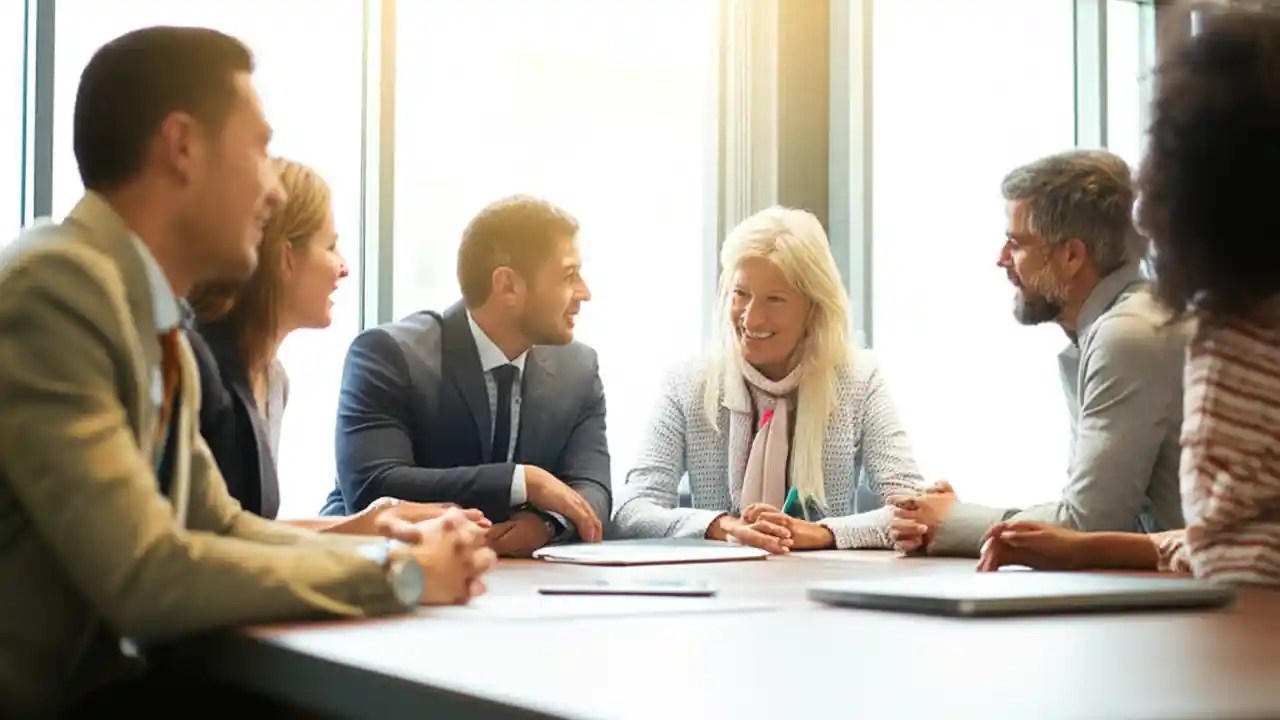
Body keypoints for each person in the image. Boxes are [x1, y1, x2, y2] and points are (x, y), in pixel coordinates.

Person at [0, 27, 494, 717]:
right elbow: (146, 571)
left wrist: (386, 561)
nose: (270, 189)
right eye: (259, 148)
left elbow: (220, 524)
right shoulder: (56, 287)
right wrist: (400, 575)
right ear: (182, 147)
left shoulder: (154, 321)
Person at [978, 8, 1280, 585]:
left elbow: (1244, 555)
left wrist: (1082, 543)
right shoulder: (1225, 329)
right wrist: (1083, 551)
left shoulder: (1226, 339)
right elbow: (1225, 539)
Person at [890, 150, 1190, 557]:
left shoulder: (1127, 335)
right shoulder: (1125, 323)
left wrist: (952, 521)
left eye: (1016, 243)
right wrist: (952, 516)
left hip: (1223, 604)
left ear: (1071, 255)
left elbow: (1088, 523)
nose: (1001, 259)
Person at [187, 157, 484, 533]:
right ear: (286, 257)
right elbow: (215, 545)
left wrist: (372, 523)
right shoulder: (198, 370)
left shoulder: (273, 377)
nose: (343, 267)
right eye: (330, 247)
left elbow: (247, 530)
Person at [612, 206, 925, 552]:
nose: (751, 318)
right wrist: (722, 527)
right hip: (718, 588)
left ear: (814, 307)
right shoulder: (689, 382)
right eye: (741, 294)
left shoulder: (858, 379)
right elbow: (631, 511)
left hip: (822, 587)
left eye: (775, 299)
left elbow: (914, 511)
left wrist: (822, 534)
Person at [324, 194, 609, 556]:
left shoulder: (578, 369)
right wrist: (522, 481)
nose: (584, 293)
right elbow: (372, 486)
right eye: (569, 275)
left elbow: (594, 488)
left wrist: (545, 525)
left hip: (522, 581)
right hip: (387, 572)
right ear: (507, 286)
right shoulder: (389, 354)